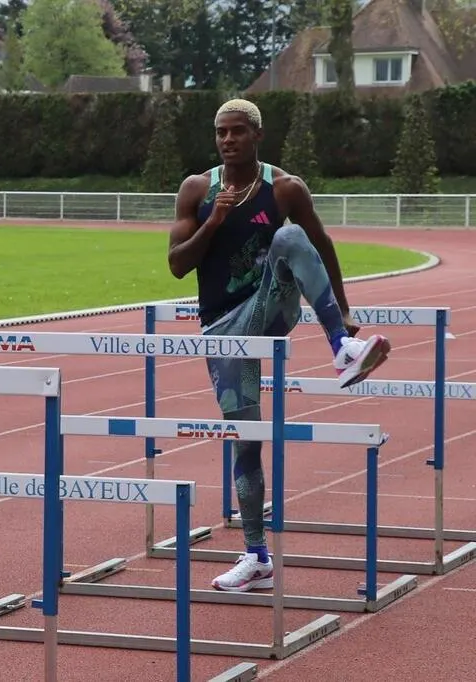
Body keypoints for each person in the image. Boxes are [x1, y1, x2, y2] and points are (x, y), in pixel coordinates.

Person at [166, 98, 391, 593]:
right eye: (221, 132)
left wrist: (347, 315)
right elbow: (177, 264)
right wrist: (213, 223)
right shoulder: (198, 190)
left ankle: (341, 349)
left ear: (257, 135)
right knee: (245, 445)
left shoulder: (284, 188)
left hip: (271, 309)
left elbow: (321, 244)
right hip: (222, 329)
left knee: (289, 239)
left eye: (238, 131)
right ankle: (257, 558)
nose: (228, 140)